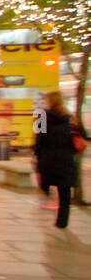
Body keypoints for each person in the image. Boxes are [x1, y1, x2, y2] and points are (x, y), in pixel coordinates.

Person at [34, 91, 87, 229]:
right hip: (66, 158)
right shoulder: (70, 118)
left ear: (49, 101)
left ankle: (45, 192)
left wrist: (37, 154)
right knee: (65, 192)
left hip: (48, 158)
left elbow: (39, 139)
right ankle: (62, 222)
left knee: (46, 179)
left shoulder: (42, 116)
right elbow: (83, 135)